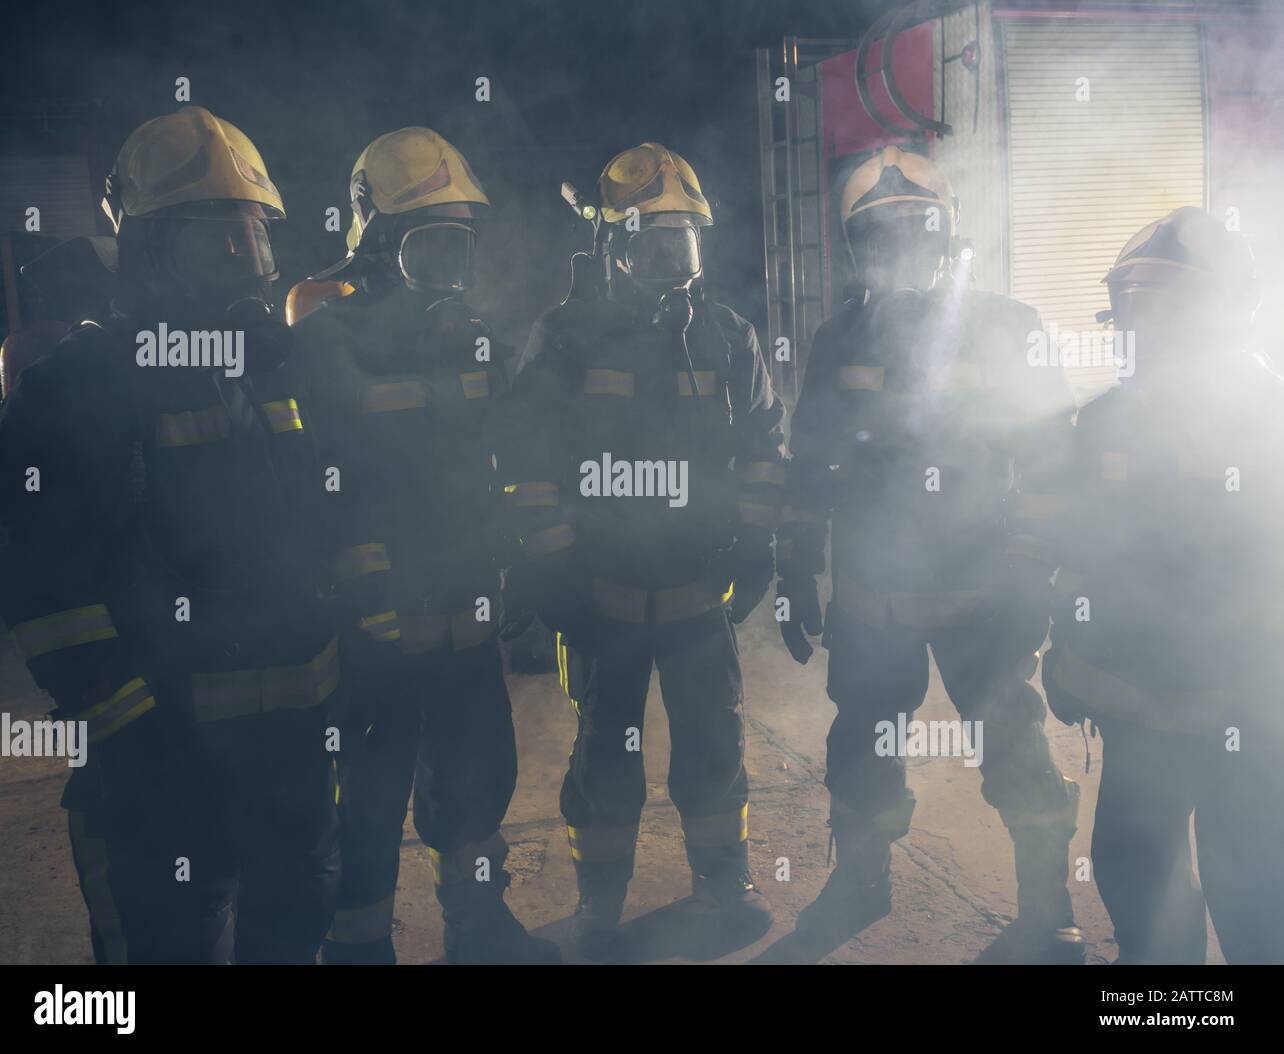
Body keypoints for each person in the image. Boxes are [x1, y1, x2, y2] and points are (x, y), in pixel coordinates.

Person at [0, 106, 341, 963]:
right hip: (160, 769)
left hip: (289, 755)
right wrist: (130, 733)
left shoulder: (277, 367)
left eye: (251, 238)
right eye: (210, 239)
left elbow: (328, 524)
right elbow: (43, 591)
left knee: (291, 935)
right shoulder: (81, 384)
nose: (240, 262)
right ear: (146, 248)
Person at [780, 146, 1083, 963]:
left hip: (985, 594)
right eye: (882, 237)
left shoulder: (1009, 328)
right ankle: (860, 882)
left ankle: (1046, 907)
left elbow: (1055, 458)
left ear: (948, 235)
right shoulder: (838, 340)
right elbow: (808, 464)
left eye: (920, 230)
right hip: (875, 599)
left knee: (1012, 745)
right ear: (858, 249)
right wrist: (795, 565)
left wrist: (1034, 565)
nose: (903, 250)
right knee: (864, 746)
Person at [501, 142, 784, 960]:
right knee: (605, 758)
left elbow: (766, 442)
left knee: (714, 749)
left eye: (686, 238)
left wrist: (762, 540)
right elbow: (528, 462)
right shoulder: (566, 336)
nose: (675, 257)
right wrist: (551, 567)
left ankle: (722, 886)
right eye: (657, 240)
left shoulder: (727, 335)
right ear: (616, 248)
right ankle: (599, 906)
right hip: (603, 603)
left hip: (700, 600)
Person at [291, 127, 559, 964]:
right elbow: (318, 483)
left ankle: (479, 930)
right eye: (426, 244)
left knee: (478, 782)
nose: (447, 264)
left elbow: (511, 454)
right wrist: (364, 595)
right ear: (373, 244)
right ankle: (360, 947)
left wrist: (520, 562)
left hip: (464, 605)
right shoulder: (327, 341)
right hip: (377, 620)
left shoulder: (469, 335)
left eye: (457, 244)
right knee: (367, 795)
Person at [1042, 207, 1284, 964]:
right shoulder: (1107, 423)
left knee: (1257, 893)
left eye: (1169, 305)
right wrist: (1069, 658)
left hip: (1251, 720)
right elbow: (1080, 557)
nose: (1144, 326)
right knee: (1141, 883)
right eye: (1136, 306)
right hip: (1140, 716)